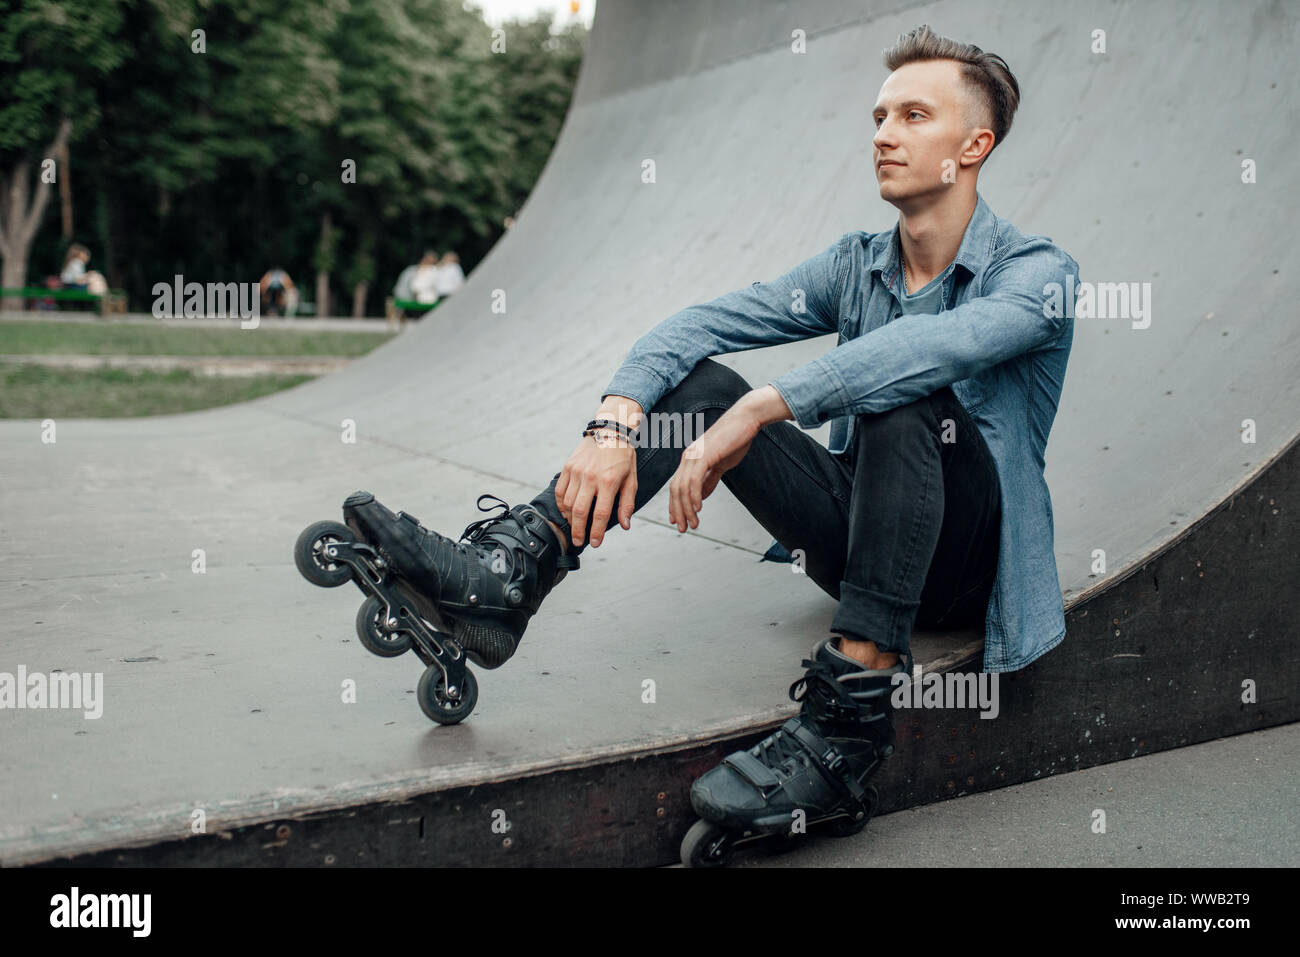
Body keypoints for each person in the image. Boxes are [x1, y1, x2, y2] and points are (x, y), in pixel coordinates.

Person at [339, 25, 1078, 840]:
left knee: (903, 398)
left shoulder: (1037, 274)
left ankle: (846, 733)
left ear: (974, 145)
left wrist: (764, 405)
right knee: (701, 383)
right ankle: (513, 570)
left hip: (968, 565)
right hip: (867, 539)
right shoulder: (858, 263)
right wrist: (613, 418)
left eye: (911, 116)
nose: (882, 135)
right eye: (878, 116)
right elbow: (699, 323)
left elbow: (929, 349)